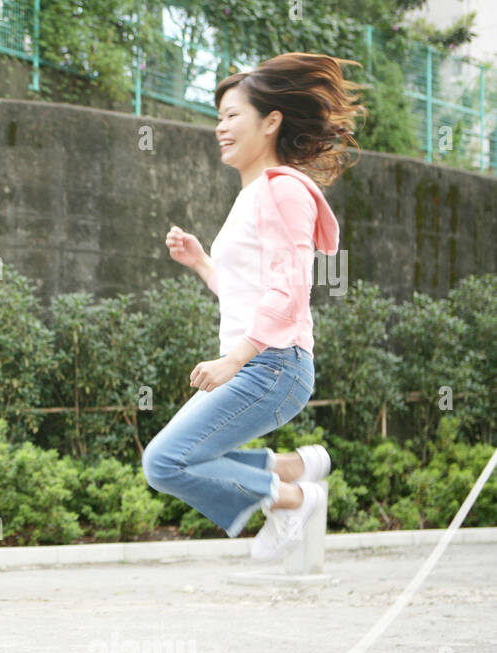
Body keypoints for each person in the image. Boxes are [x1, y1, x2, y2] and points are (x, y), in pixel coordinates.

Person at [144, 52, 364, 561]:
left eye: (232, 115)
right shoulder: (253, 194)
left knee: (166, 462)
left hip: (273, 366)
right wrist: (202, 263)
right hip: (263, 362)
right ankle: (287, 470)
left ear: (271, 122)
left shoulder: (283, 190)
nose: (220, 127)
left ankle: (293, 497)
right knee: (186, 458)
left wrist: (234, 359)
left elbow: (289, 291)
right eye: (218, 117)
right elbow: (252, 294)